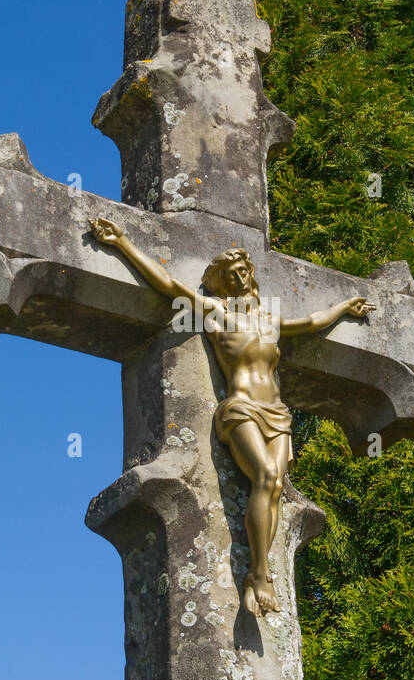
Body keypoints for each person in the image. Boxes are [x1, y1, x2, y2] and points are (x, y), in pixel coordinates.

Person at [89, 217, 374, 614]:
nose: (239, 278)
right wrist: (123, 243)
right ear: (222, 280)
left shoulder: (270, 320)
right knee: (267, 477)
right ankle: (258, 573)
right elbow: (169, 286)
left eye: (244, 271)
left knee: (273, 489)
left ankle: (262, 570)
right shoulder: (216, 313)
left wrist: (344, 307)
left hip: (277, 414)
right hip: (240, 408)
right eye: (231, 274)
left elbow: (311, 323)